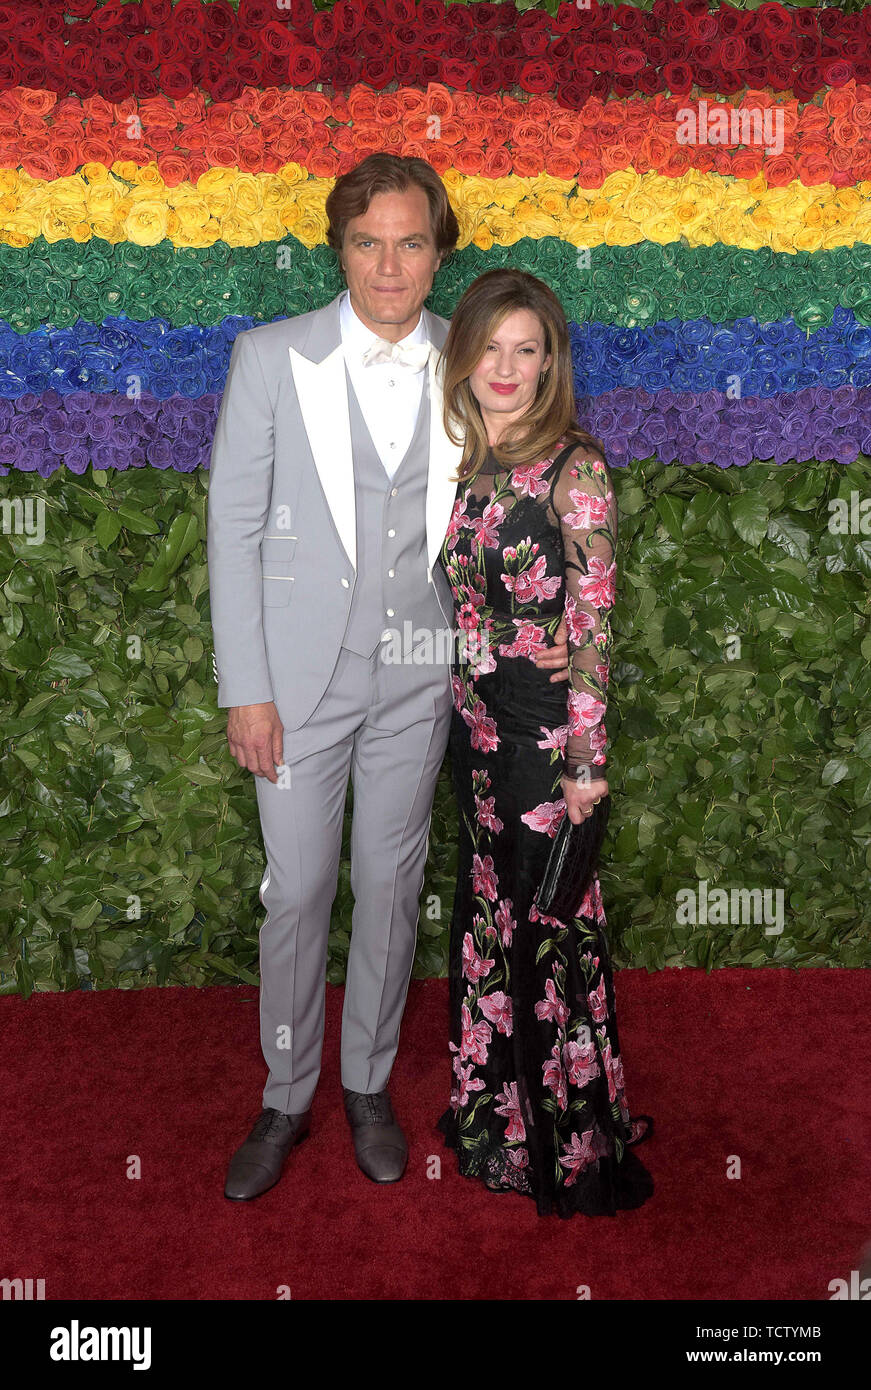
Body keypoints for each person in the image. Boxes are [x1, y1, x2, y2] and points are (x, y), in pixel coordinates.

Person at [207, 156, 570, 1200]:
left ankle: (366, 1082)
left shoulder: (470, 360)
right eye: (368, 242)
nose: (389, 264)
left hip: (421, 682)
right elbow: (233, 528)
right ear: (339, 249)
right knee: (298, 892)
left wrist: (551, 628)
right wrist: (247, 687)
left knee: (390, 884)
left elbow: (529, 497)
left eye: (411, 242)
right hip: (296, 687)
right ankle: (285, 1095)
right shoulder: (271, 357)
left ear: (439, 253)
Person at [435, 268, 655, 1217]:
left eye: (528, 349)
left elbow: (596, 629)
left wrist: (585, 771)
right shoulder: (469, 457)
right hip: (473, 737)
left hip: (539, 745)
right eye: (490, 346)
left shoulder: (577, 468)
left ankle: (563, 1134)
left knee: (551, 928)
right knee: (490, 919)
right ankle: (495, 1107)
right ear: (465, 354)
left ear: (551, 361)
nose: (507, 366)